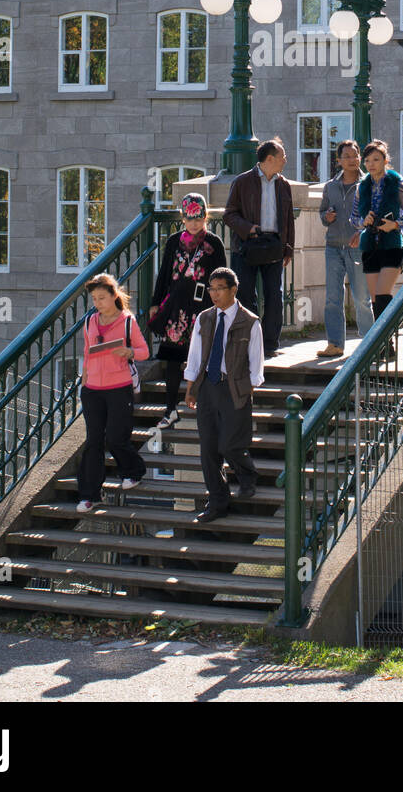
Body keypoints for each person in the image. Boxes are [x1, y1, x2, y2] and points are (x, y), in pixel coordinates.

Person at [183, 267, 264, 524]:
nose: (215, 294)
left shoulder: (249, 321)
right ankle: (217, 501)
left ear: (233, 290)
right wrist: (191, 387)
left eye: (220, 289)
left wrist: (248, 388)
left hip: (235, 386)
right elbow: (195, 355)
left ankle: (247, 474)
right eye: (211, 289)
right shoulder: (204, 318)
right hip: (208, 385)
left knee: (230, 444)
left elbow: (256, 360)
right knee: (208, 447)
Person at [147, 193, 226, 429]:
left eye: (199, 217)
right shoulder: (173, 242)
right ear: (183, 218)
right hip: (175, 308)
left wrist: (221, 305)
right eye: (190, 218)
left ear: (205, 216)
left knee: (203, 357)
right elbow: (163, 273)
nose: (194, 223)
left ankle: (206, 408)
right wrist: (156, 301)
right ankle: (170, 409)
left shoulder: (213, 243)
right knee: (172, 359)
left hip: (202, 307)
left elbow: (222, 276)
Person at [76, 273, 149, 513]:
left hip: (119, 388)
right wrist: (85, 380)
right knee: (93, 441)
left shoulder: (128, 321)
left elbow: (144, 352)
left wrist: (129, 352)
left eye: (102, 298)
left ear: (114, 296)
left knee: (117, 437)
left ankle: (133, 471)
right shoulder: (89, 321)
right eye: (94, 299)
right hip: (93, 390)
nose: (98, 303)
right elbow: (87, 352)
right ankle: (89, 494)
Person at [222, 137, 294, 358]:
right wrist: (249, 228)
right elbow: (229, 214)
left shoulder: (283, 185)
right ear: (270, 158)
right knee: (244, 293)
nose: (285, 160)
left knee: (275, 295)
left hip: (273, 245)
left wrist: (288, 248)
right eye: (282, 157)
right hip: (247, 245)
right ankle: (249, 341)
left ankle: (270, 344)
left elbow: (289, 219)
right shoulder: (243, 181)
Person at [350, 140, 403, 347]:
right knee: (375, 298)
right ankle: (385, 343)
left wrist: (394, 224)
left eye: (376, 159)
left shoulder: (397, 183)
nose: (371, 164)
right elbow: (353, 219)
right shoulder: (362, 187)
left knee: (383, 292)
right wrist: (364, 221)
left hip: (392, 244)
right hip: (370, 245)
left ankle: (385, 341)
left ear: (385, 160)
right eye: (367, 160)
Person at [317, 138, 374, 358]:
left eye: (355, 155)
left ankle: (368, 344)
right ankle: (335, 344)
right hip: (332, 247)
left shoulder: (368, 185)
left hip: (358, 248)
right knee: (332, 297)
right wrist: (326, 217)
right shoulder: (330, 186)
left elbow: (374, 215)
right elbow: (322, 213)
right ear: (339, 160)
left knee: (361, 297)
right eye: (347, 156)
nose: (352, 159)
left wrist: (362, 234)